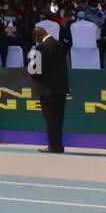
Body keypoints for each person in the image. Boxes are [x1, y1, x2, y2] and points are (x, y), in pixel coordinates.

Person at [28, 25, 70, 153]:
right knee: (58, 118)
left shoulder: (42, 47)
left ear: (37, 37)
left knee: (50, 118)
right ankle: (58, 145)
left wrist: (32, 74)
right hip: (61, 88)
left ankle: (53, 146)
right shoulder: (59, 44)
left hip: (47, 89)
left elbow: (37, 69)